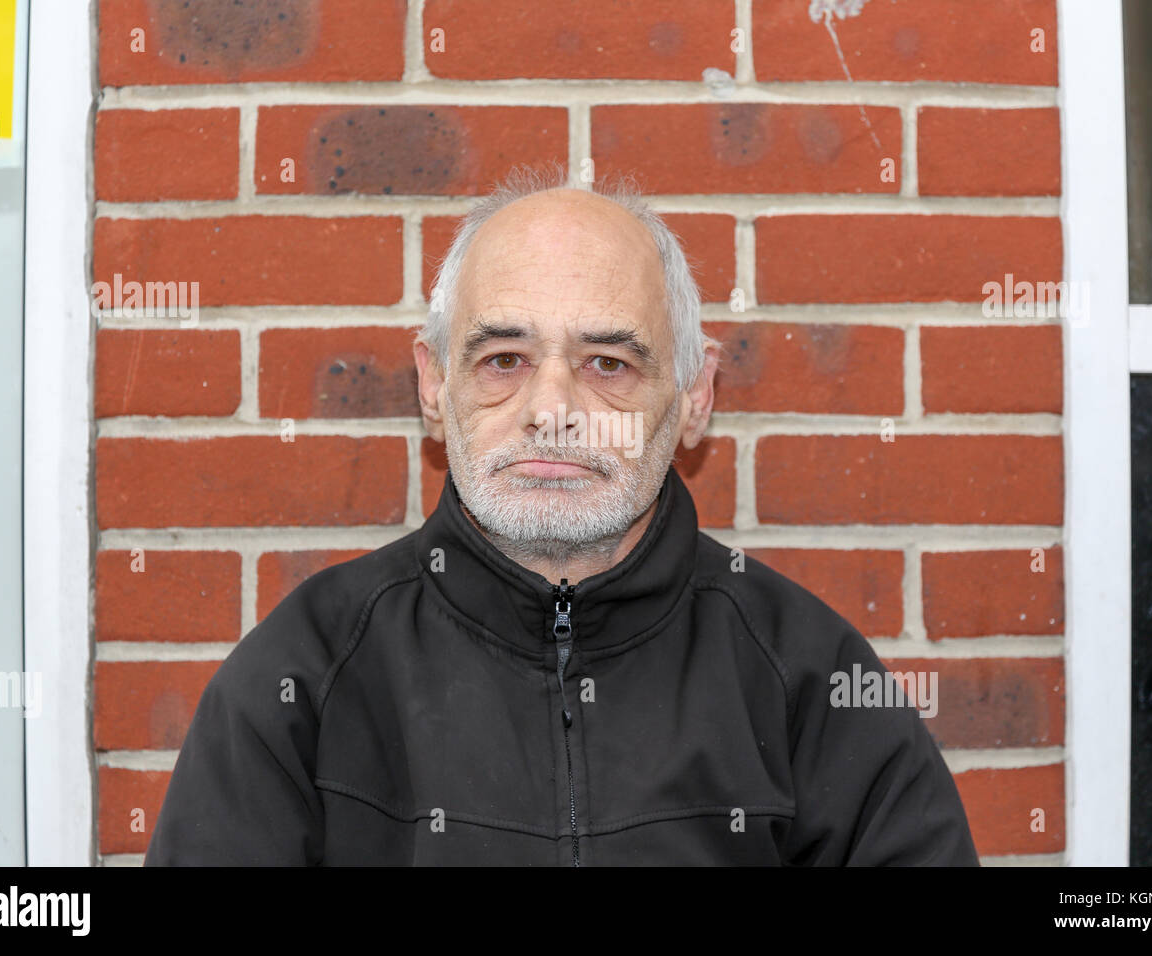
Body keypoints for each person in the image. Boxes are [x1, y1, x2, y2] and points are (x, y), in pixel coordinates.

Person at [145, 165, 978, 866]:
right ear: (434, 386)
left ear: (695, 397)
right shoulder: (301, 682)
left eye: (608, 364)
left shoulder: (814, 683)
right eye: (503, 359)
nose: (551, 408)